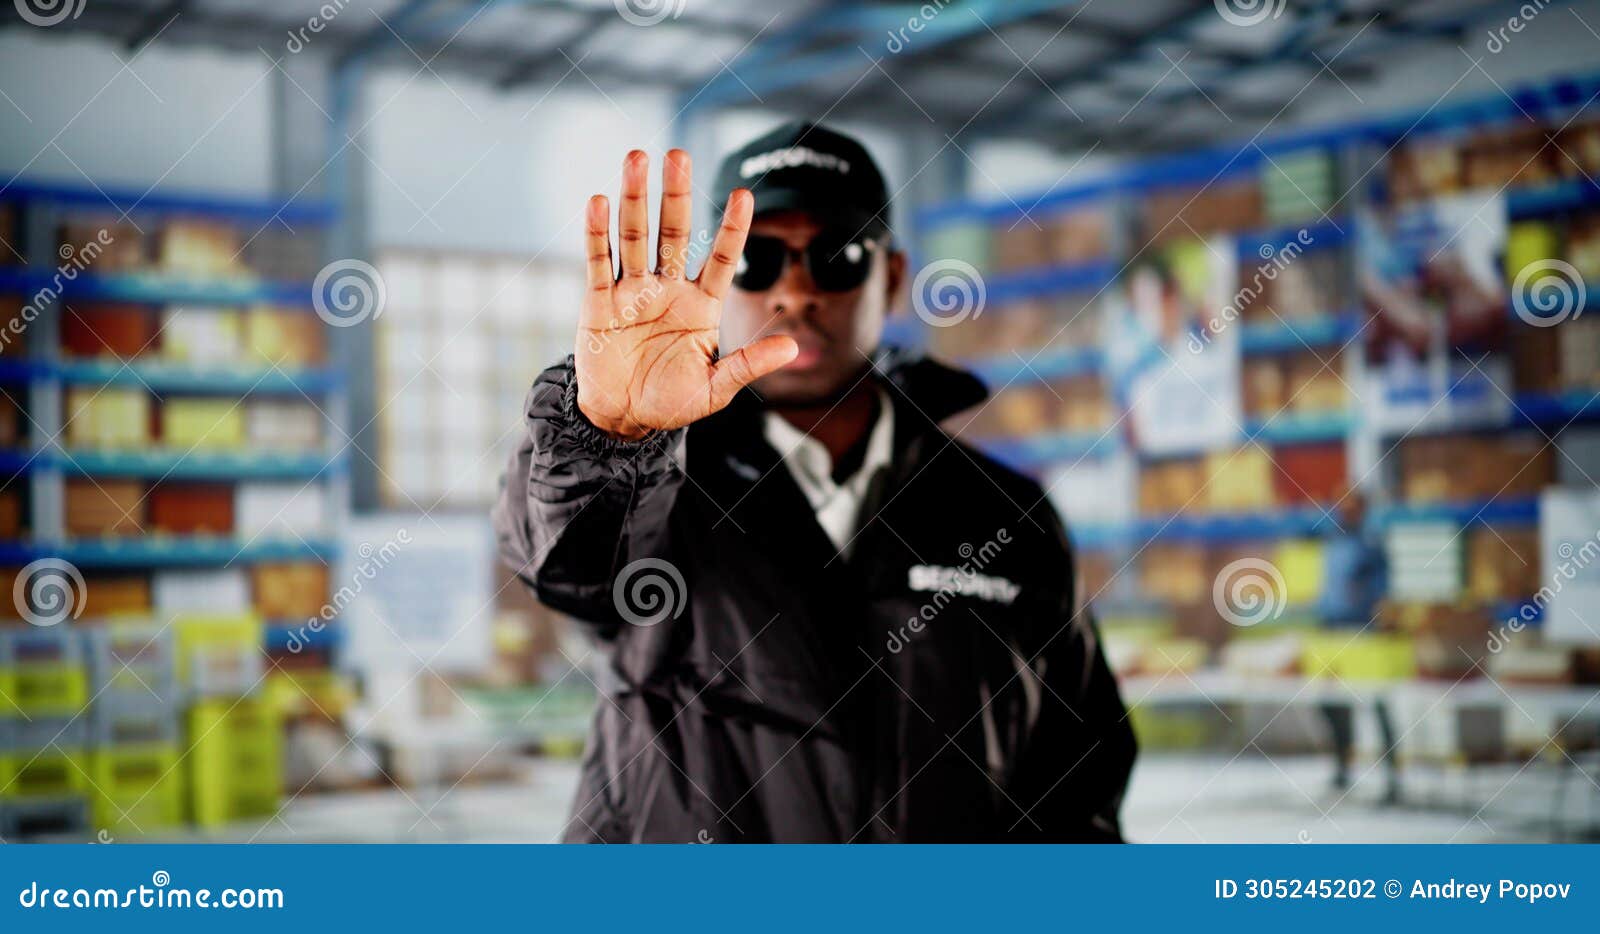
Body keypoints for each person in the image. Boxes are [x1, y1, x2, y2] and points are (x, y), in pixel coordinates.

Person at [493, 121, 1135, 842]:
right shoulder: (655, 482)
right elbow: (566, 565)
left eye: (835, 256)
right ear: (722, 278)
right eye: (758, 259)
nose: (796, 291)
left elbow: (1079, 780)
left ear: (889, 278)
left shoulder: (1007, 514)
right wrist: (608, 431)